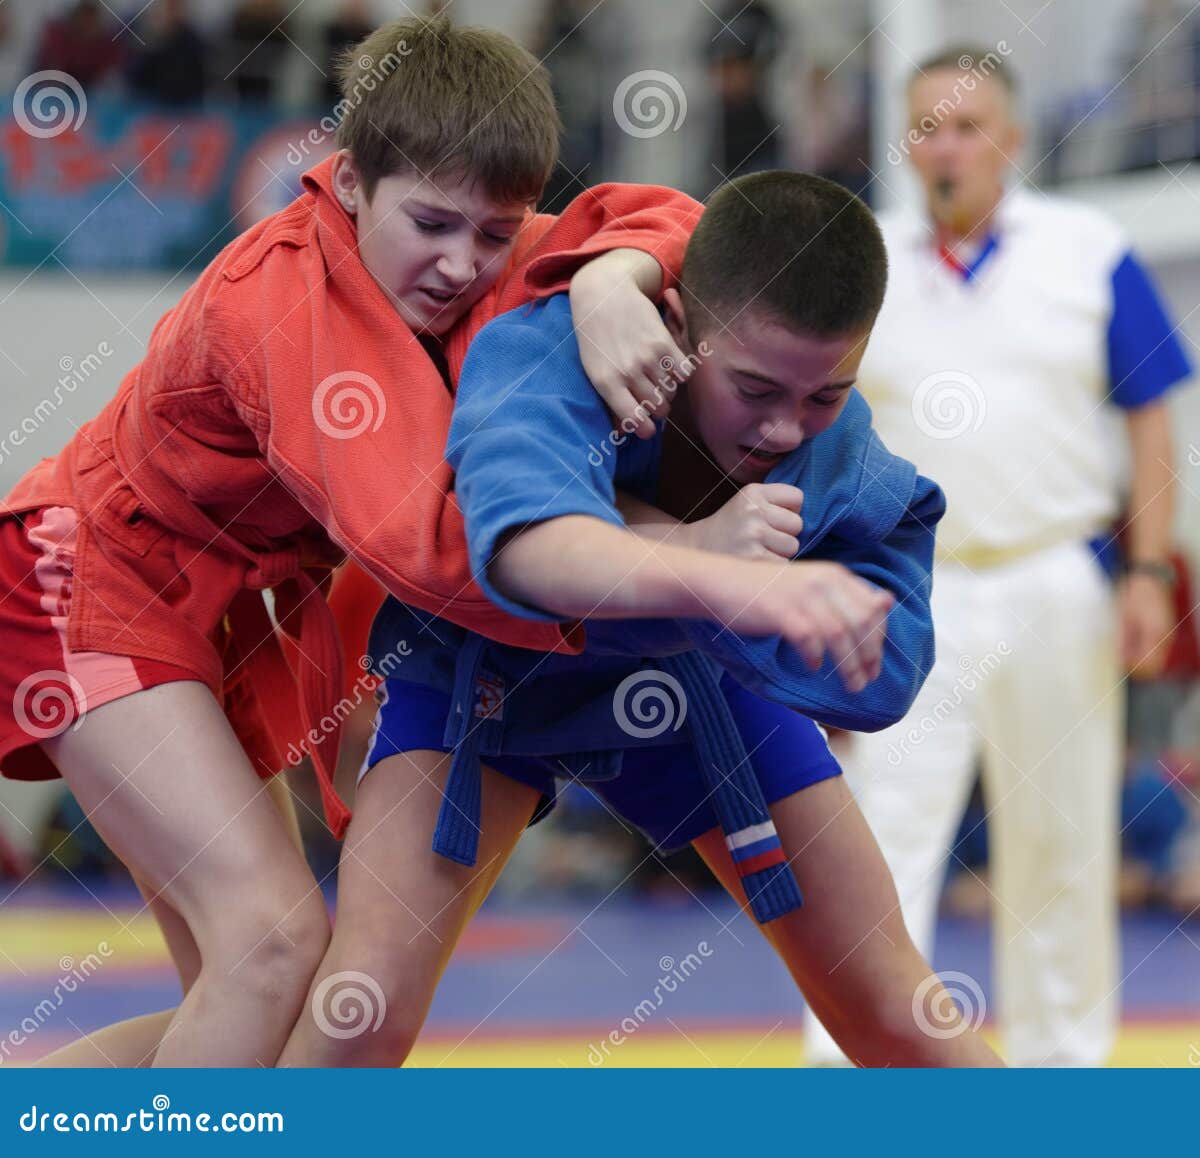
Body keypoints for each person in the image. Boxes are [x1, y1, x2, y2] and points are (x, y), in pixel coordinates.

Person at [6, 16, 699, 1067]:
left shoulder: (453, 242)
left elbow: (674, 213)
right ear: (351, 181)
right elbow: (419, 548)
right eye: (432, 223)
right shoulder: (280, 307)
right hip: (82, 575)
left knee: (260, 994)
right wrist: (666, 575)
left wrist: (613, 278)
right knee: (272, 947)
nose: (463, 264)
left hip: (196, 612)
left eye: (495, 232)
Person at [277, 171, 999, 1068]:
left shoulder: (840, 449)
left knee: (899, 1010)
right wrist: (709, 568)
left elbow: (884, 673)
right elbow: (520, 550)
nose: (784, 428)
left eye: (824, 394)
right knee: (360, 1011)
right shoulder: (554, 349)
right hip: (488, 679)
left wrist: (726, 583)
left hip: (698, 690)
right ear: (683, 320)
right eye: (756, 387)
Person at [802, 46, 1192, 1068]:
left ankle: (1063, 1069)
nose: (947, 145)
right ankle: (849, 1068)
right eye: (927, 124)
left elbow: (1151, 422)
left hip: (1055, 574)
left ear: (1012, 141)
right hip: (904, 591)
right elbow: (813, 431)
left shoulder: (1090, 249)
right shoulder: (864, 265)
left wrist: (1150, 573)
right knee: (873, 844)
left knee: (1061, 843)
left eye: (968, 125)